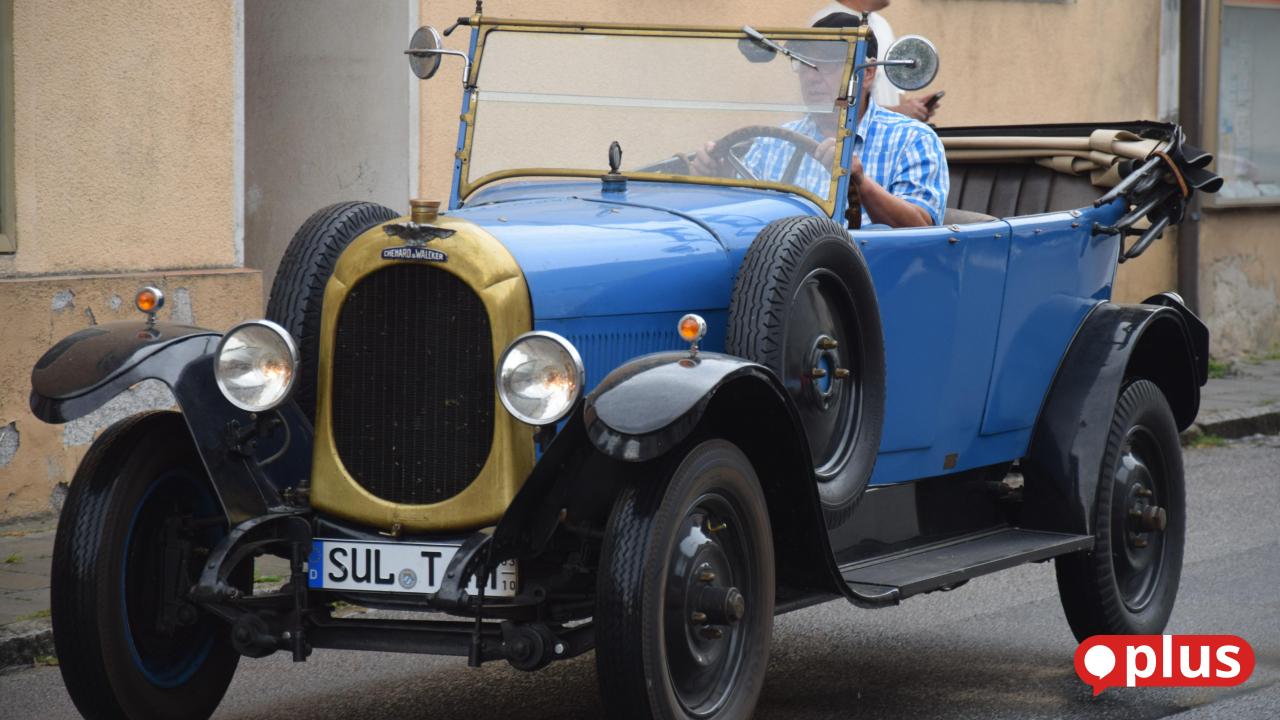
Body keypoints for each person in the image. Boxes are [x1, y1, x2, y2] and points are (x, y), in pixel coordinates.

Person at [691, 12, 948, 228]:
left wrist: (860, 183)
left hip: (873, 280)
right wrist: (717, 175)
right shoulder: (773, 142)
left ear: (867, 74)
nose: (810, 76)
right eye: (803, 63)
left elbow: (922, 229)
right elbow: (740, 221)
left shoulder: (913, 140)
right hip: (782, 277)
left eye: (826, 63)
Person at [810, 0, 939, 122]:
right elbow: (829, 105)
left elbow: (895, 93)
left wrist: (913, 108)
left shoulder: (882, 24)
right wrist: (898, 113)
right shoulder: (825, 24)